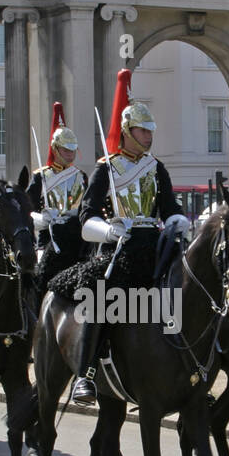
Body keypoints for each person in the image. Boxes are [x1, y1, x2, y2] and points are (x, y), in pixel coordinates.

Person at [70, 68, 186, 407]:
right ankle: (86, 374)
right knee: (102, 299)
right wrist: (108, 229)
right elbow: (85, 216)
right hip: (118, 248)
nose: (148, 136)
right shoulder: (106, 168)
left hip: (154, 246)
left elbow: (170, 207)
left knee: (182, 296)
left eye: (151, 130)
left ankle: (189, 370)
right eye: (142, 130)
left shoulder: (156, 168)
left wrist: (179, 222)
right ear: (126, 131)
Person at [27, 102, 89, 292]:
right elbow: (27, 211)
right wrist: (41, 219)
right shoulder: (41, 177)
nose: (70, 154)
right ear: (55, 149)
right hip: (48, 240)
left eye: (72, 150)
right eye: (65, 150)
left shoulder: (81, 176)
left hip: (77, 239)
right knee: (37, 280)